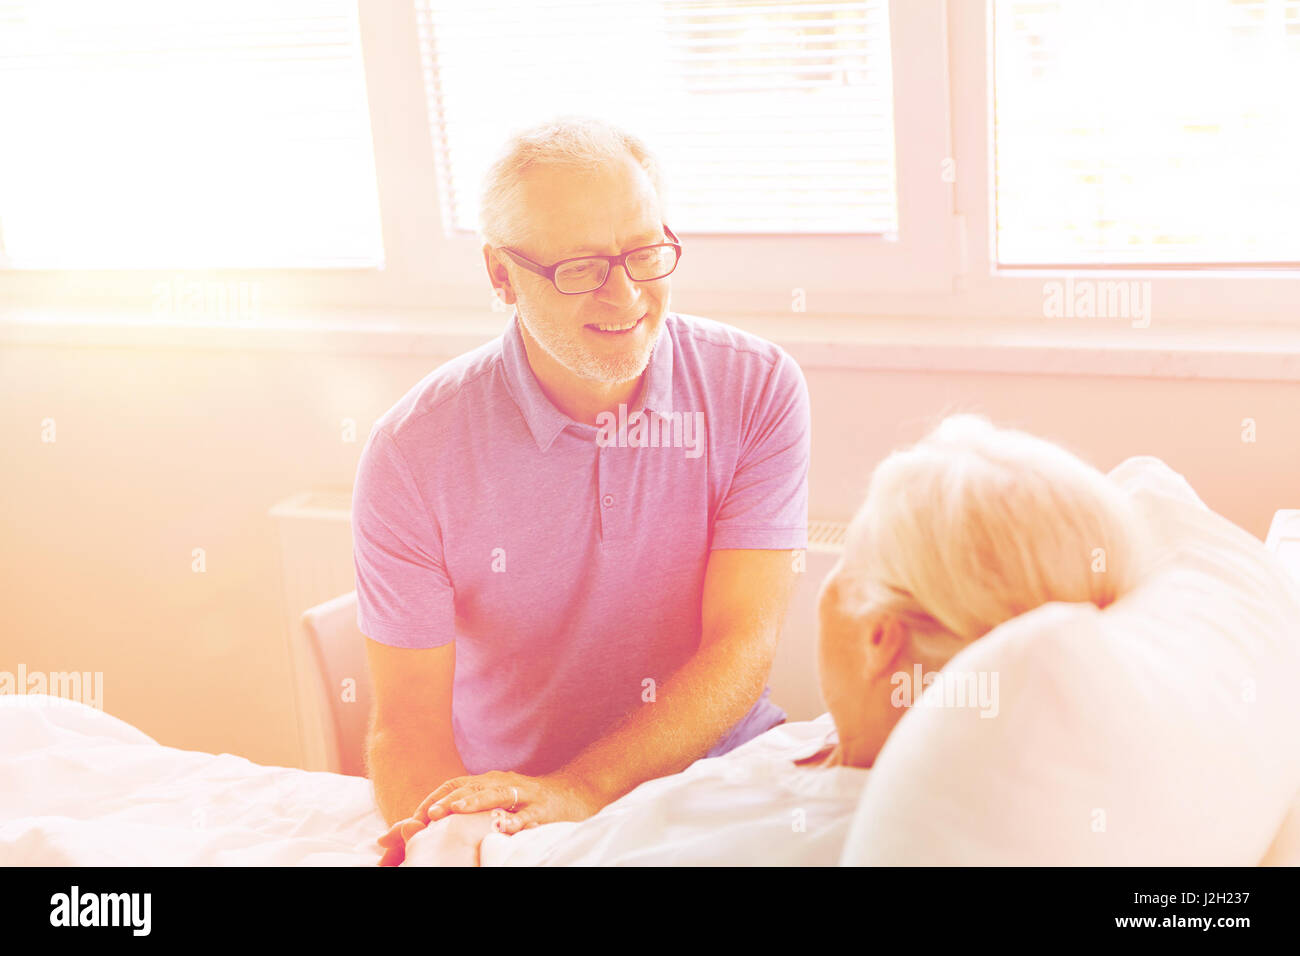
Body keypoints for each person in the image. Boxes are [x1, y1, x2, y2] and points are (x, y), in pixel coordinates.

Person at [387, 414, 1154, 866]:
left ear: (878, 636)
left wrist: (457, 835)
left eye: (847, 558)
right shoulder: (838, 746)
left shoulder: (777, 843)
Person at [356, 115, 812, 865]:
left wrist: (584, 788)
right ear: (501, 275)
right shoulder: (412, 452)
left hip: (718, 781)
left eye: (644, 253)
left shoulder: (757, 387)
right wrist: (447, 838)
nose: (626, 295)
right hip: (518, 810)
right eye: (580, 268)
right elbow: (406, 726)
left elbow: (742, 645)